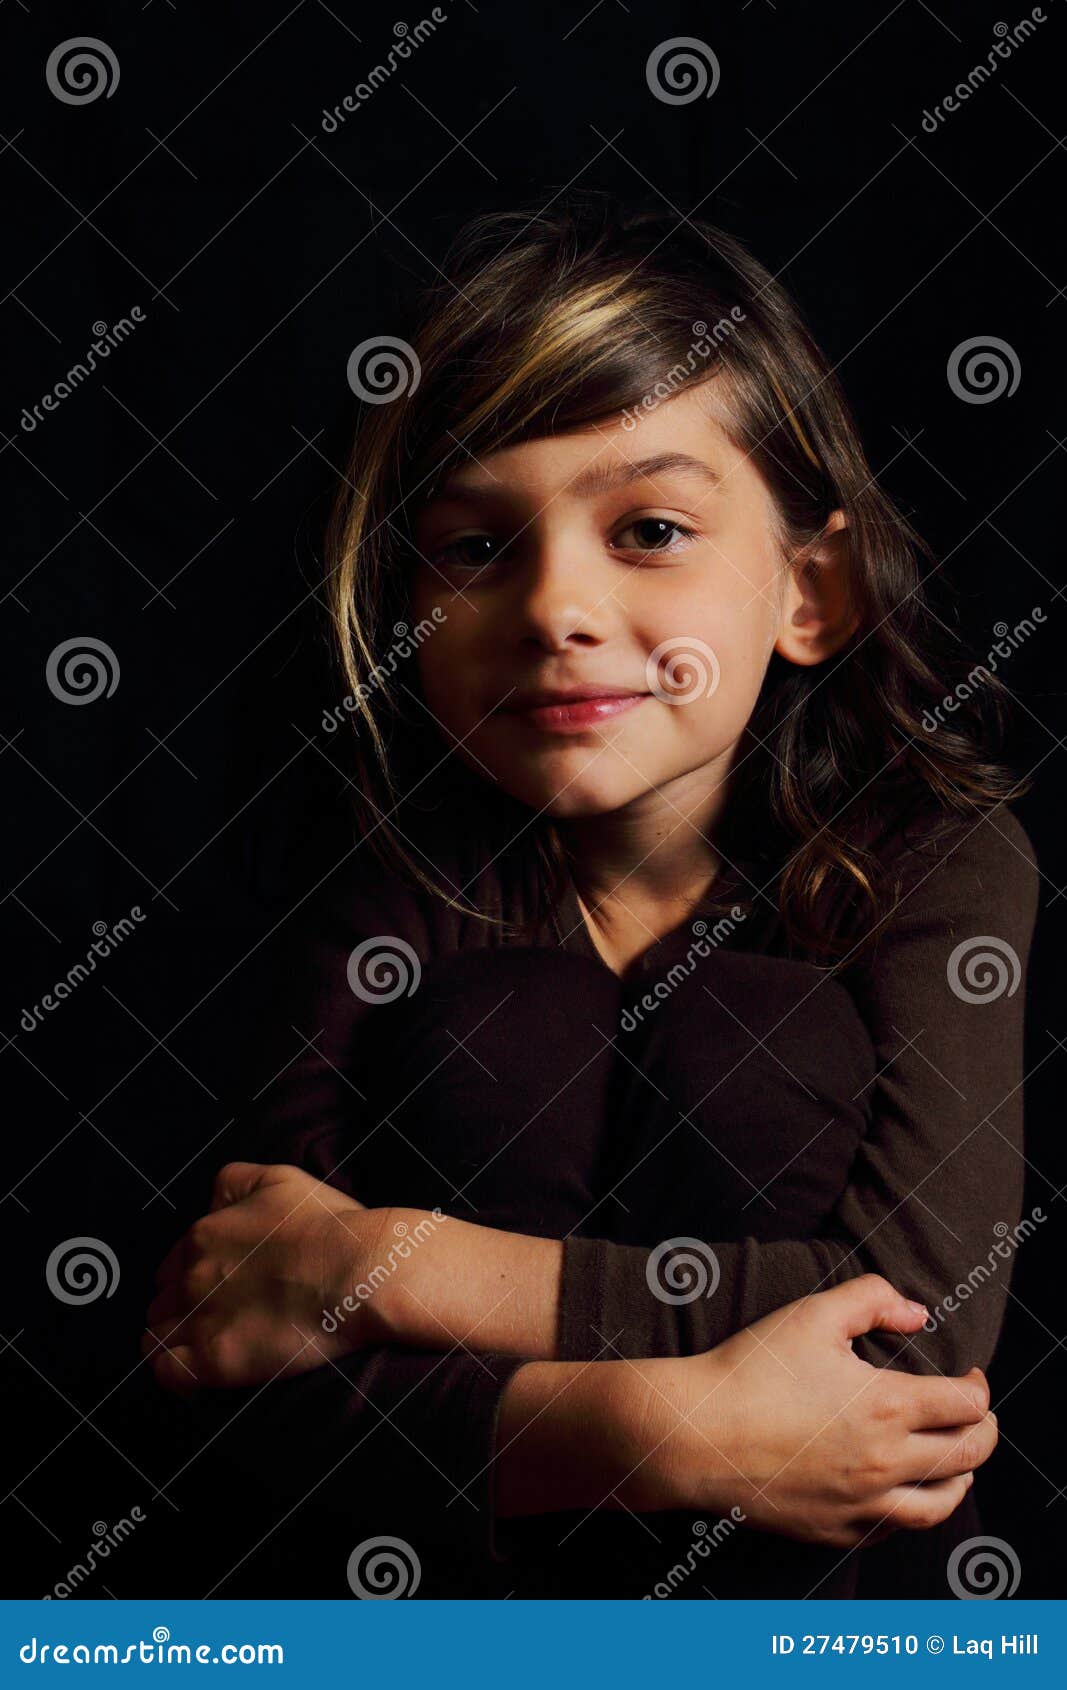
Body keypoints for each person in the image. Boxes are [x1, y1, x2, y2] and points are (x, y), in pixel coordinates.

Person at [143, 195, 1035, 1598]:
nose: (555, 607)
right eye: (476, 548)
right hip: (419, 1622)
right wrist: (661, 1432)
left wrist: (390, 1266)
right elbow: (229, 1342)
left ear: (812, 591)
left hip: (815, 1626)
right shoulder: (382, 871)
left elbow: (914, 1339)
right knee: (503, 1028)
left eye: (651, 529)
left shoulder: (934, 857)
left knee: (756, 1044)